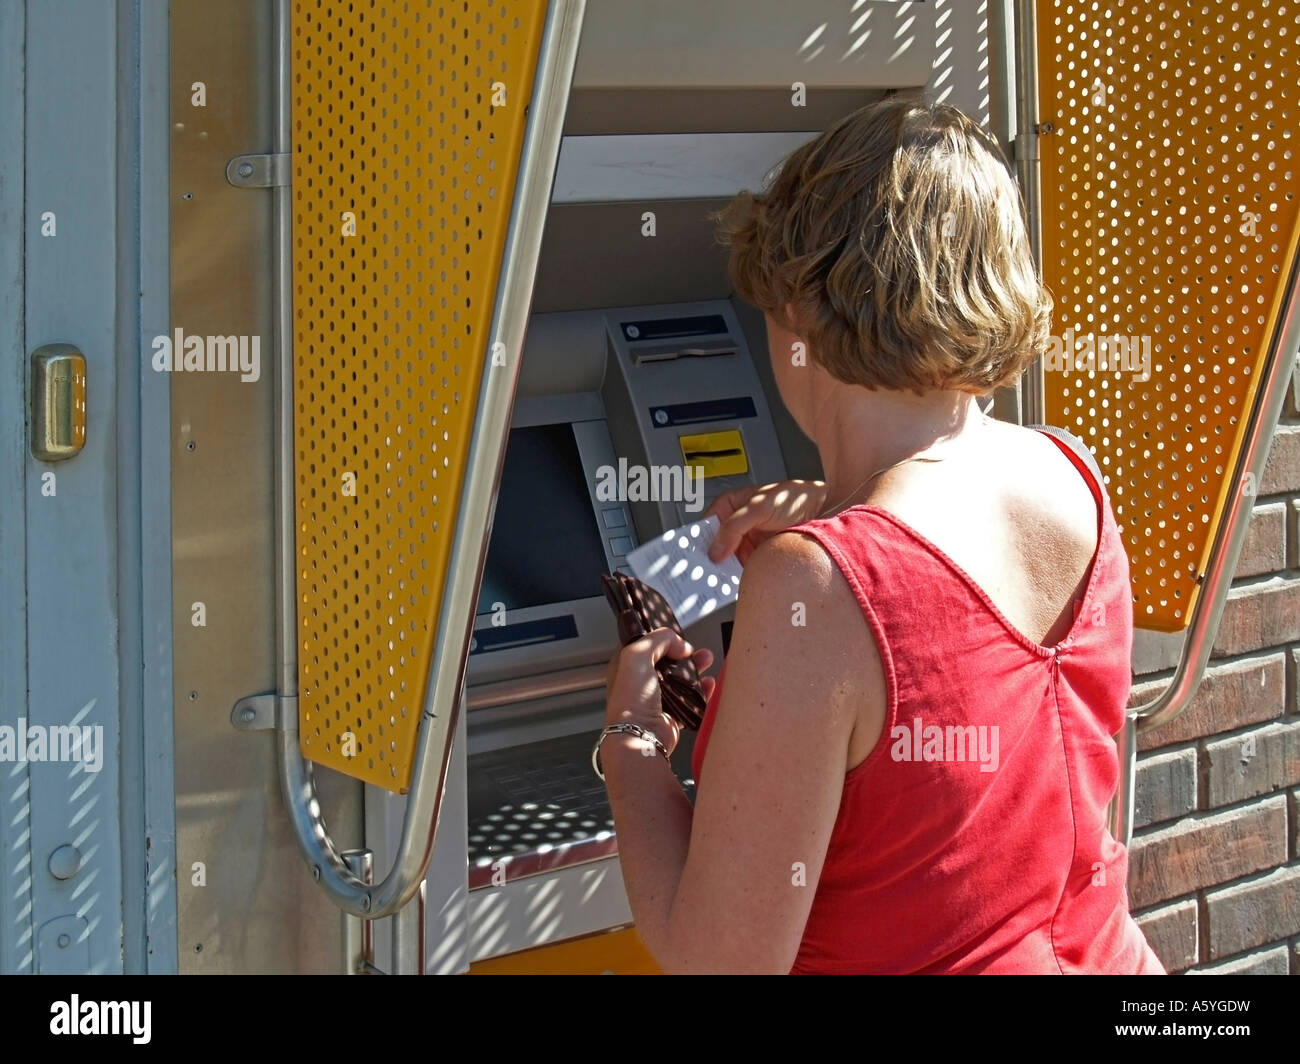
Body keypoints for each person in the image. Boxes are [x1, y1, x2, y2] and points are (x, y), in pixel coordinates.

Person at [598, 97, 1164, 974]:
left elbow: (717, 960)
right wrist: (837, 508)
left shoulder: (815, 586)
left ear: (798, 306)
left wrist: (632, 748)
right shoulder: (1070, 474)